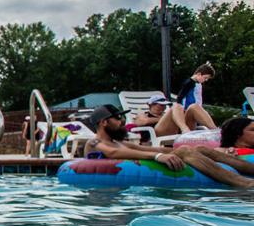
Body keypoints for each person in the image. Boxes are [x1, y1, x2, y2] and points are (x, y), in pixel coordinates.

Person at [85, 104, 254, 189]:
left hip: (127, 184)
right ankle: (245, 184)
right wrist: (158, 157)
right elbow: (113, 153)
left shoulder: (121, 142)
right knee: (185, 152)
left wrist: (191, 151)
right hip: (108, 189)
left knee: (197, 150)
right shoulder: (93, 142)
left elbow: (154, 149)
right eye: (117, 119)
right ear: (103, 122)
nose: (122, 122)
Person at [171, 62, 218, 133]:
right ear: (199, 74)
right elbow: (180, 99)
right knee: (194, 107)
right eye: (205, 78)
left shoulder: (198, 84)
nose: (206, 80)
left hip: (194, 115)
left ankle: (215, 129)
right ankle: (215, 130)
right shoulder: (189, 83)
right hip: (186, 112)